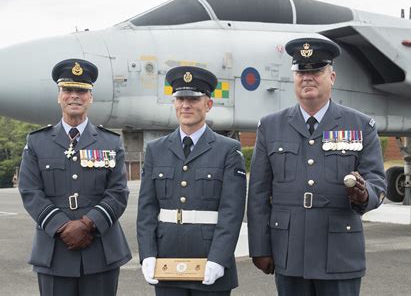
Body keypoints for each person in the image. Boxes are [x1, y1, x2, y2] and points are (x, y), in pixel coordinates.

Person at [247, 38, 387, 296]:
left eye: (316, 71)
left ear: (332, 76)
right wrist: (259, 247)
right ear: (294, 78)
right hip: (289, 253)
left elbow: (377, 181)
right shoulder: (270, 126)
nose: (307, 77)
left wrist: (364, 192)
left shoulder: (361, 125)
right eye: (301, 71)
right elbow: (257, 194)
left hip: (339, 254)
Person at [18, 58, 131, 296]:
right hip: (54, 251)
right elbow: (30, 191)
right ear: (59, 96)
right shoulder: (37, 142)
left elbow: (118, 193)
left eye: (82, 91)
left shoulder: (110, 141)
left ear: (90, 97)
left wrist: (87, 224)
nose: (74, 96)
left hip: (101, 250)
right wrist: (61, 226)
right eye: (68, 90)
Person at [137, 66, 247, 295]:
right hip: (166, 261)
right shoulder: (156, 150)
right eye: (180, 99)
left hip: (209, 262)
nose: (186, 105)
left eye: (194, 99)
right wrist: (147, 253)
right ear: (174, 103)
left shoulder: (228, 150)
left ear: (208, 104)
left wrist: (219, 258)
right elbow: (147, 209)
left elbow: (231, 213)